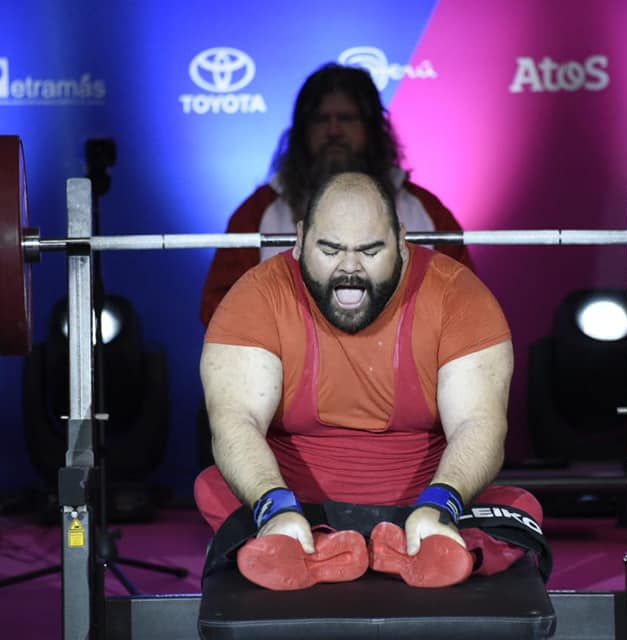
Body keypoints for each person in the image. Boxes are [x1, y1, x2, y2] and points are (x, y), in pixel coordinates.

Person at [194, 172, 550, 591]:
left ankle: (413, 545)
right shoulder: (255, 297)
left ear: (401, 241)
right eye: (329, 250)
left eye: (370, 250)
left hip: (426, 505)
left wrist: (442, 504)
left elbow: (479, 425)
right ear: (300, 239)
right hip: (298, 505)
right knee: (214, 487)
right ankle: (320, 543)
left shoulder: (459, 295)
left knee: (521, 507)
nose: (349, 268)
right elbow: (236, 422)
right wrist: (274, 507)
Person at [199, 63, 474, 327]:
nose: (333, 131)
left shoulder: (423, 210)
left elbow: (464, 304)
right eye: (321, 120)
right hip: (292, 372)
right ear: (302, 132)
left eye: (346, 119)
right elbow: (222, 311)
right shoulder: (259, 212)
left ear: (372, 129)